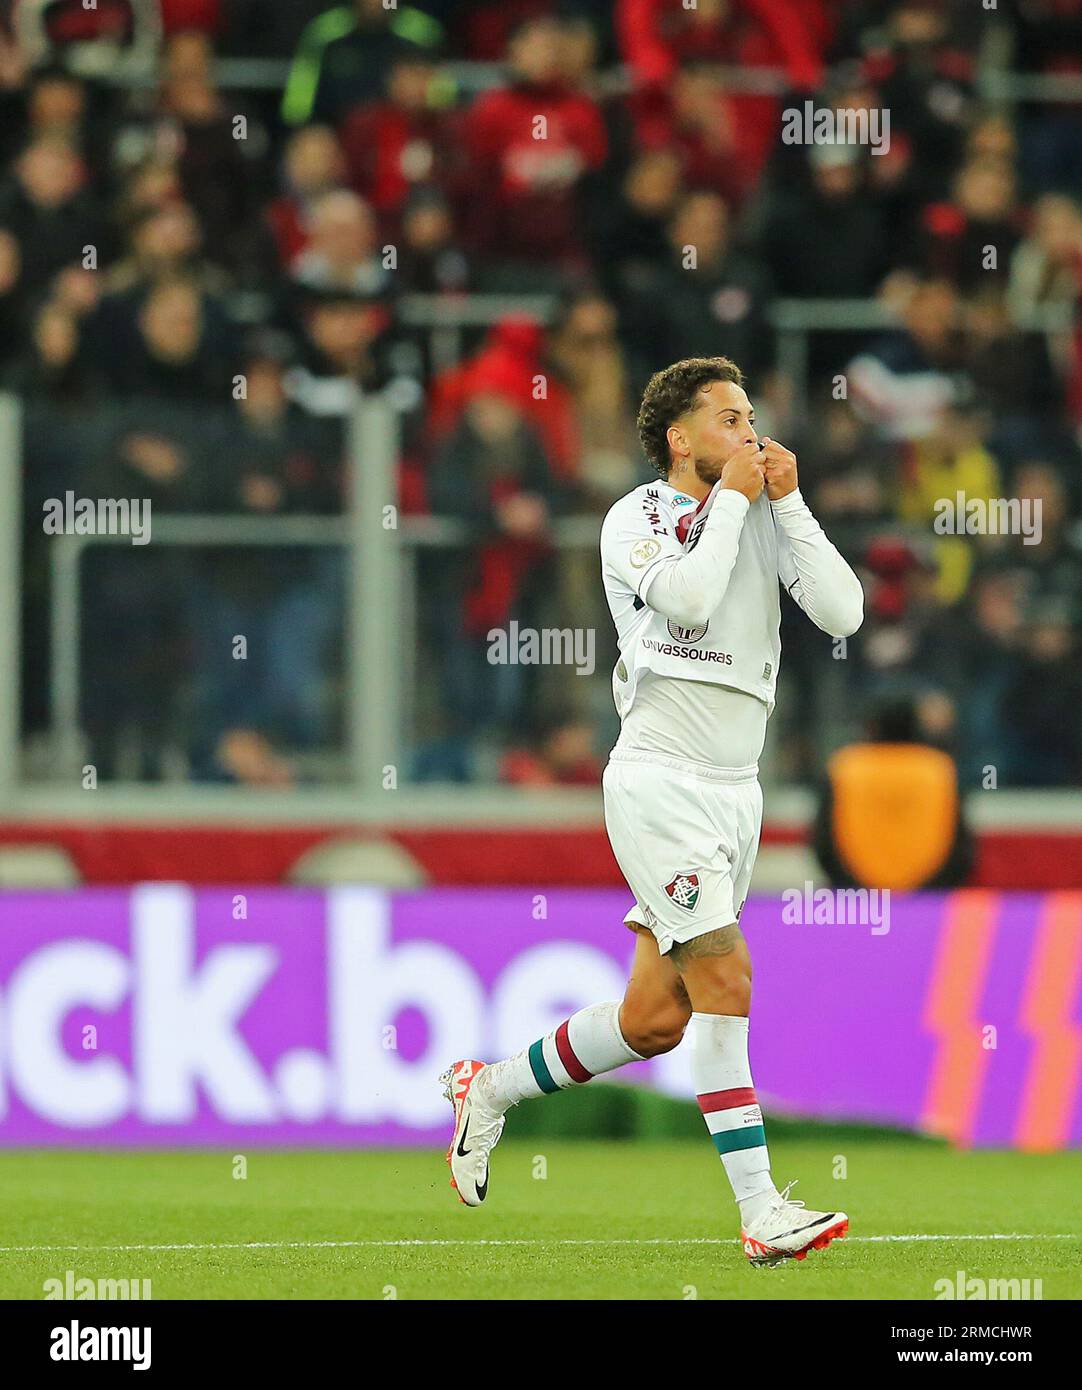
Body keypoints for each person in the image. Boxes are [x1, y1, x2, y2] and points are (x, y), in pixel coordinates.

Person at [441, 355, 864, 1267]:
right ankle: (760, 1211)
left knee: (654, 1021)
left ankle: (492, 1089)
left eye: (752, 417)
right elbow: (692, 599)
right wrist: (740, 507)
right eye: (727, 419)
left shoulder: (759, 517)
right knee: (727, 980)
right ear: (680, 439)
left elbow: (843, 614)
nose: (748, 433)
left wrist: (786, 505)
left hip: (736, 792)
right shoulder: (636, 519)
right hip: (661, 779)